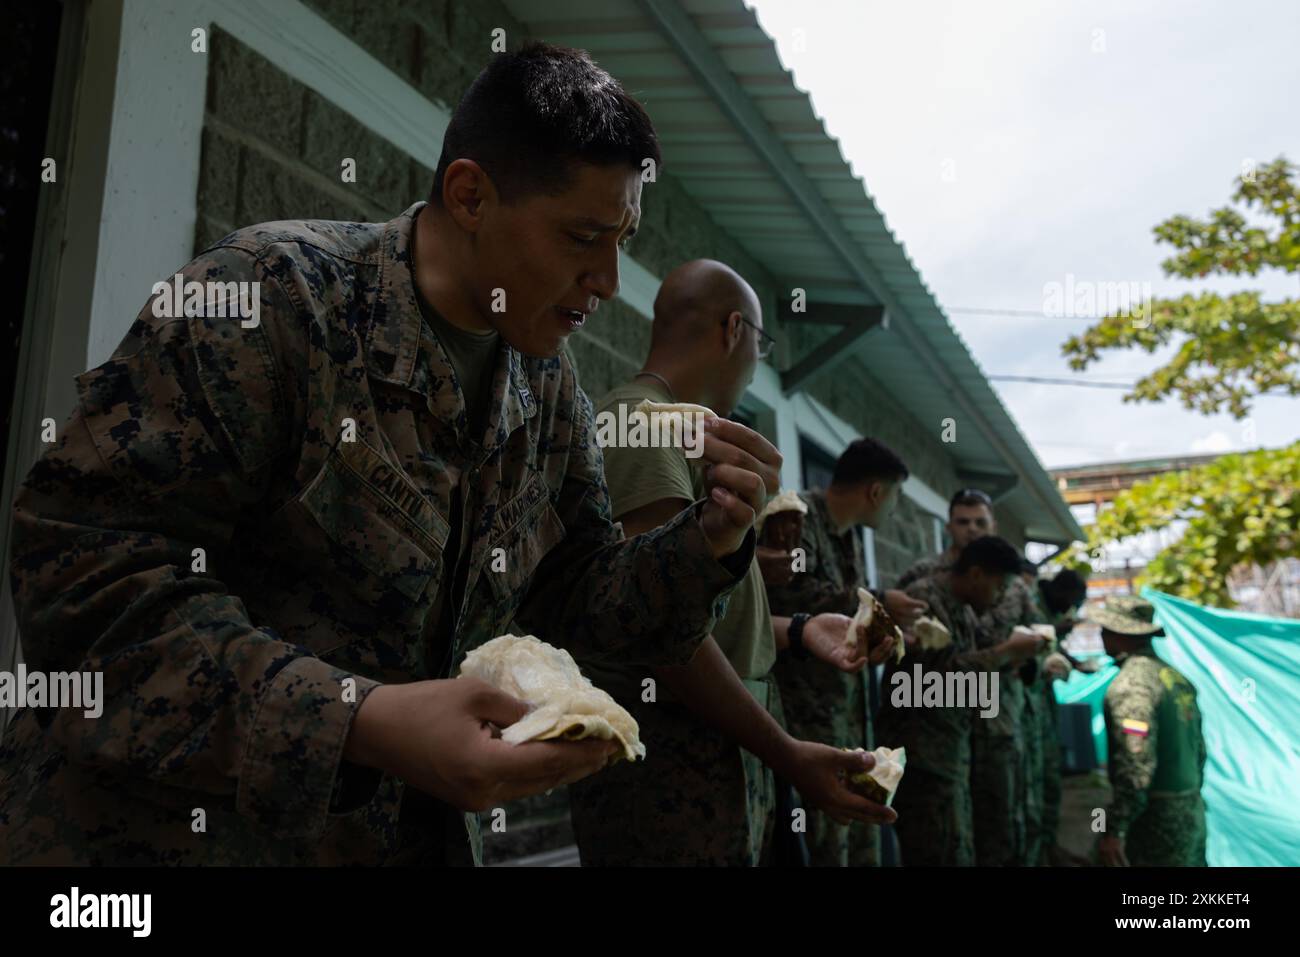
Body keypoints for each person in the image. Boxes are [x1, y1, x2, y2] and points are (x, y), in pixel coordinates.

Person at [0, 43, 783, 866]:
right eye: (583, 235)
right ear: (471, 195)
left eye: (622, 237)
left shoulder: (544, 381)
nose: (608, 279)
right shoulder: (274, 298)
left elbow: (580, 593)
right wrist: (358, 718)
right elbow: (84, 578)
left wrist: (708, 541)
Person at [567, 260, 895, 865]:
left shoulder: (687, 435)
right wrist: (786, 751)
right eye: (762, 345)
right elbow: (664, 629)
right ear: (734, 330)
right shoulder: (639, 424)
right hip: (673, 776)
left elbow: (698, 617)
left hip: (715, 763)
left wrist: (797, 631)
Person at [765, 438, 924, 866]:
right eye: (894, 497)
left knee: (854, 837)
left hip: (846, 714)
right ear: (876, 492)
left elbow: (846, 612)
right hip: (803, 720)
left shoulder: (846, 535)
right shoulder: (795, 518)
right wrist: (878, 600)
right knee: (818, 842)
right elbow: (789, 594)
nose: (893, 510)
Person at [876, 536, 1043, 865]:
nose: (998, 600)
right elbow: (933, 681)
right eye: (998, 588)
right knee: (935, 850)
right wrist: (1004, 653)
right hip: (923, 756)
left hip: (951, 752)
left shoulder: (963, 608)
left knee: (958, 848)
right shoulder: (924, 601)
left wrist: (1011, 662)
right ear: (977, 574)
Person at [1093, 596, 1207, 867]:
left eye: (1106, 630)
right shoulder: (1175, 678)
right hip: (1192, 810)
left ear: (1119, 635)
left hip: (1157, 822)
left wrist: (1114, 829)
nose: (1101, 636)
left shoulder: (1132, 687)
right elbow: (1199, 751)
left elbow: (1136, 766)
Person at [894, 488, 995, 590]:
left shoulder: (1005, 578)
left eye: (980, 523)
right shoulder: (923, 572)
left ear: (993, 528)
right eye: (963, 522)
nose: (972, 529)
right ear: (949, 528)